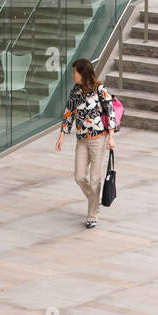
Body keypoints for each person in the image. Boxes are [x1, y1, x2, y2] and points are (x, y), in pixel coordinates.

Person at [55, 58, 116, 229]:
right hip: (81, 140)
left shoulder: (100, 89)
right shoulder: (75, 91)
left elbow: (110, 111)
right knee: (80, 176)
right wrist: (62, 135)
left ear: (83, 73)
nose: (73, 75)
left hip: (98, 139)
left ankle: (92, 215)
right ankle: (94, 199)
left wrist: (111, 136)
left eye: (75, 72)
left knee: (95, 178)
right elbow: (69, 113)